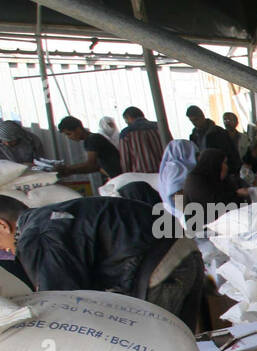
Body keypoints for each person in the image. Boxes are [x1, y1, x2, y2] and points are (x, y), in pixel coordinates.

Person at [0, 194, 202, 327]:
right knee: (183, 348)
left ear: (2, 226)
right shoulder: (48, 216)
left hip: (157, 267)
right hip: (184, 249)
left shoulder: (35, 236)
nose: (4, 251)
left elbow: (64, 303)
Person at [181, 147, 249, 231]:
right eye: (224, 163)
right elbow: (216, 206)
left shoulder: (216, 177)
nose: (226, 167)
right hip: (204, 230)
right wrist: (237, 194)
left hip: (223, 224)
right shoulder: (195, 181)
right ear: (214, 164)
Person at [55, 116, 122, 180]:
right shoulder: (91, 139)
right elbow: (95, 168)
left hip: (120, 177)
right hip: (118, 177)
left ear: (78, 129)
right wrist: (71, 171)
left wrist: (68, 168)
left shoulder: (92, 139)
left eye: (69, 134)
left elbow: (90, 165)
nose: (69, 137)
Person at [185, 105, 241, 179]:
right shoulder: (193, 136)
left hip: (222, 171)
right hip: (205, 172)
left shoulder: (219, 133)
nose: (194, 123)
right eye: (191, 121)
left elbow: (231, 154)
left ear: (202, 116)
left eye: (196, 120)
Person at [157, 139, 199, 220]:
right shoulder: (176, 168)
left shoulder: (168, 168)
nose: (197, 157)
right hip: (186, 217)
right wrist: (190, 218)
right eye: (195, 153)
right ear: (186, 152)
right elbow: (177, 194)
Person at [118, 106, 165, 174]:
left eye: (126, 120)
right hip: (164, 171)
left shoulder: (126, 133)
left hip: (142, 175)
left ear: (128, 118)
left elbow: (125, 160)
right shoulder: (160, 126)